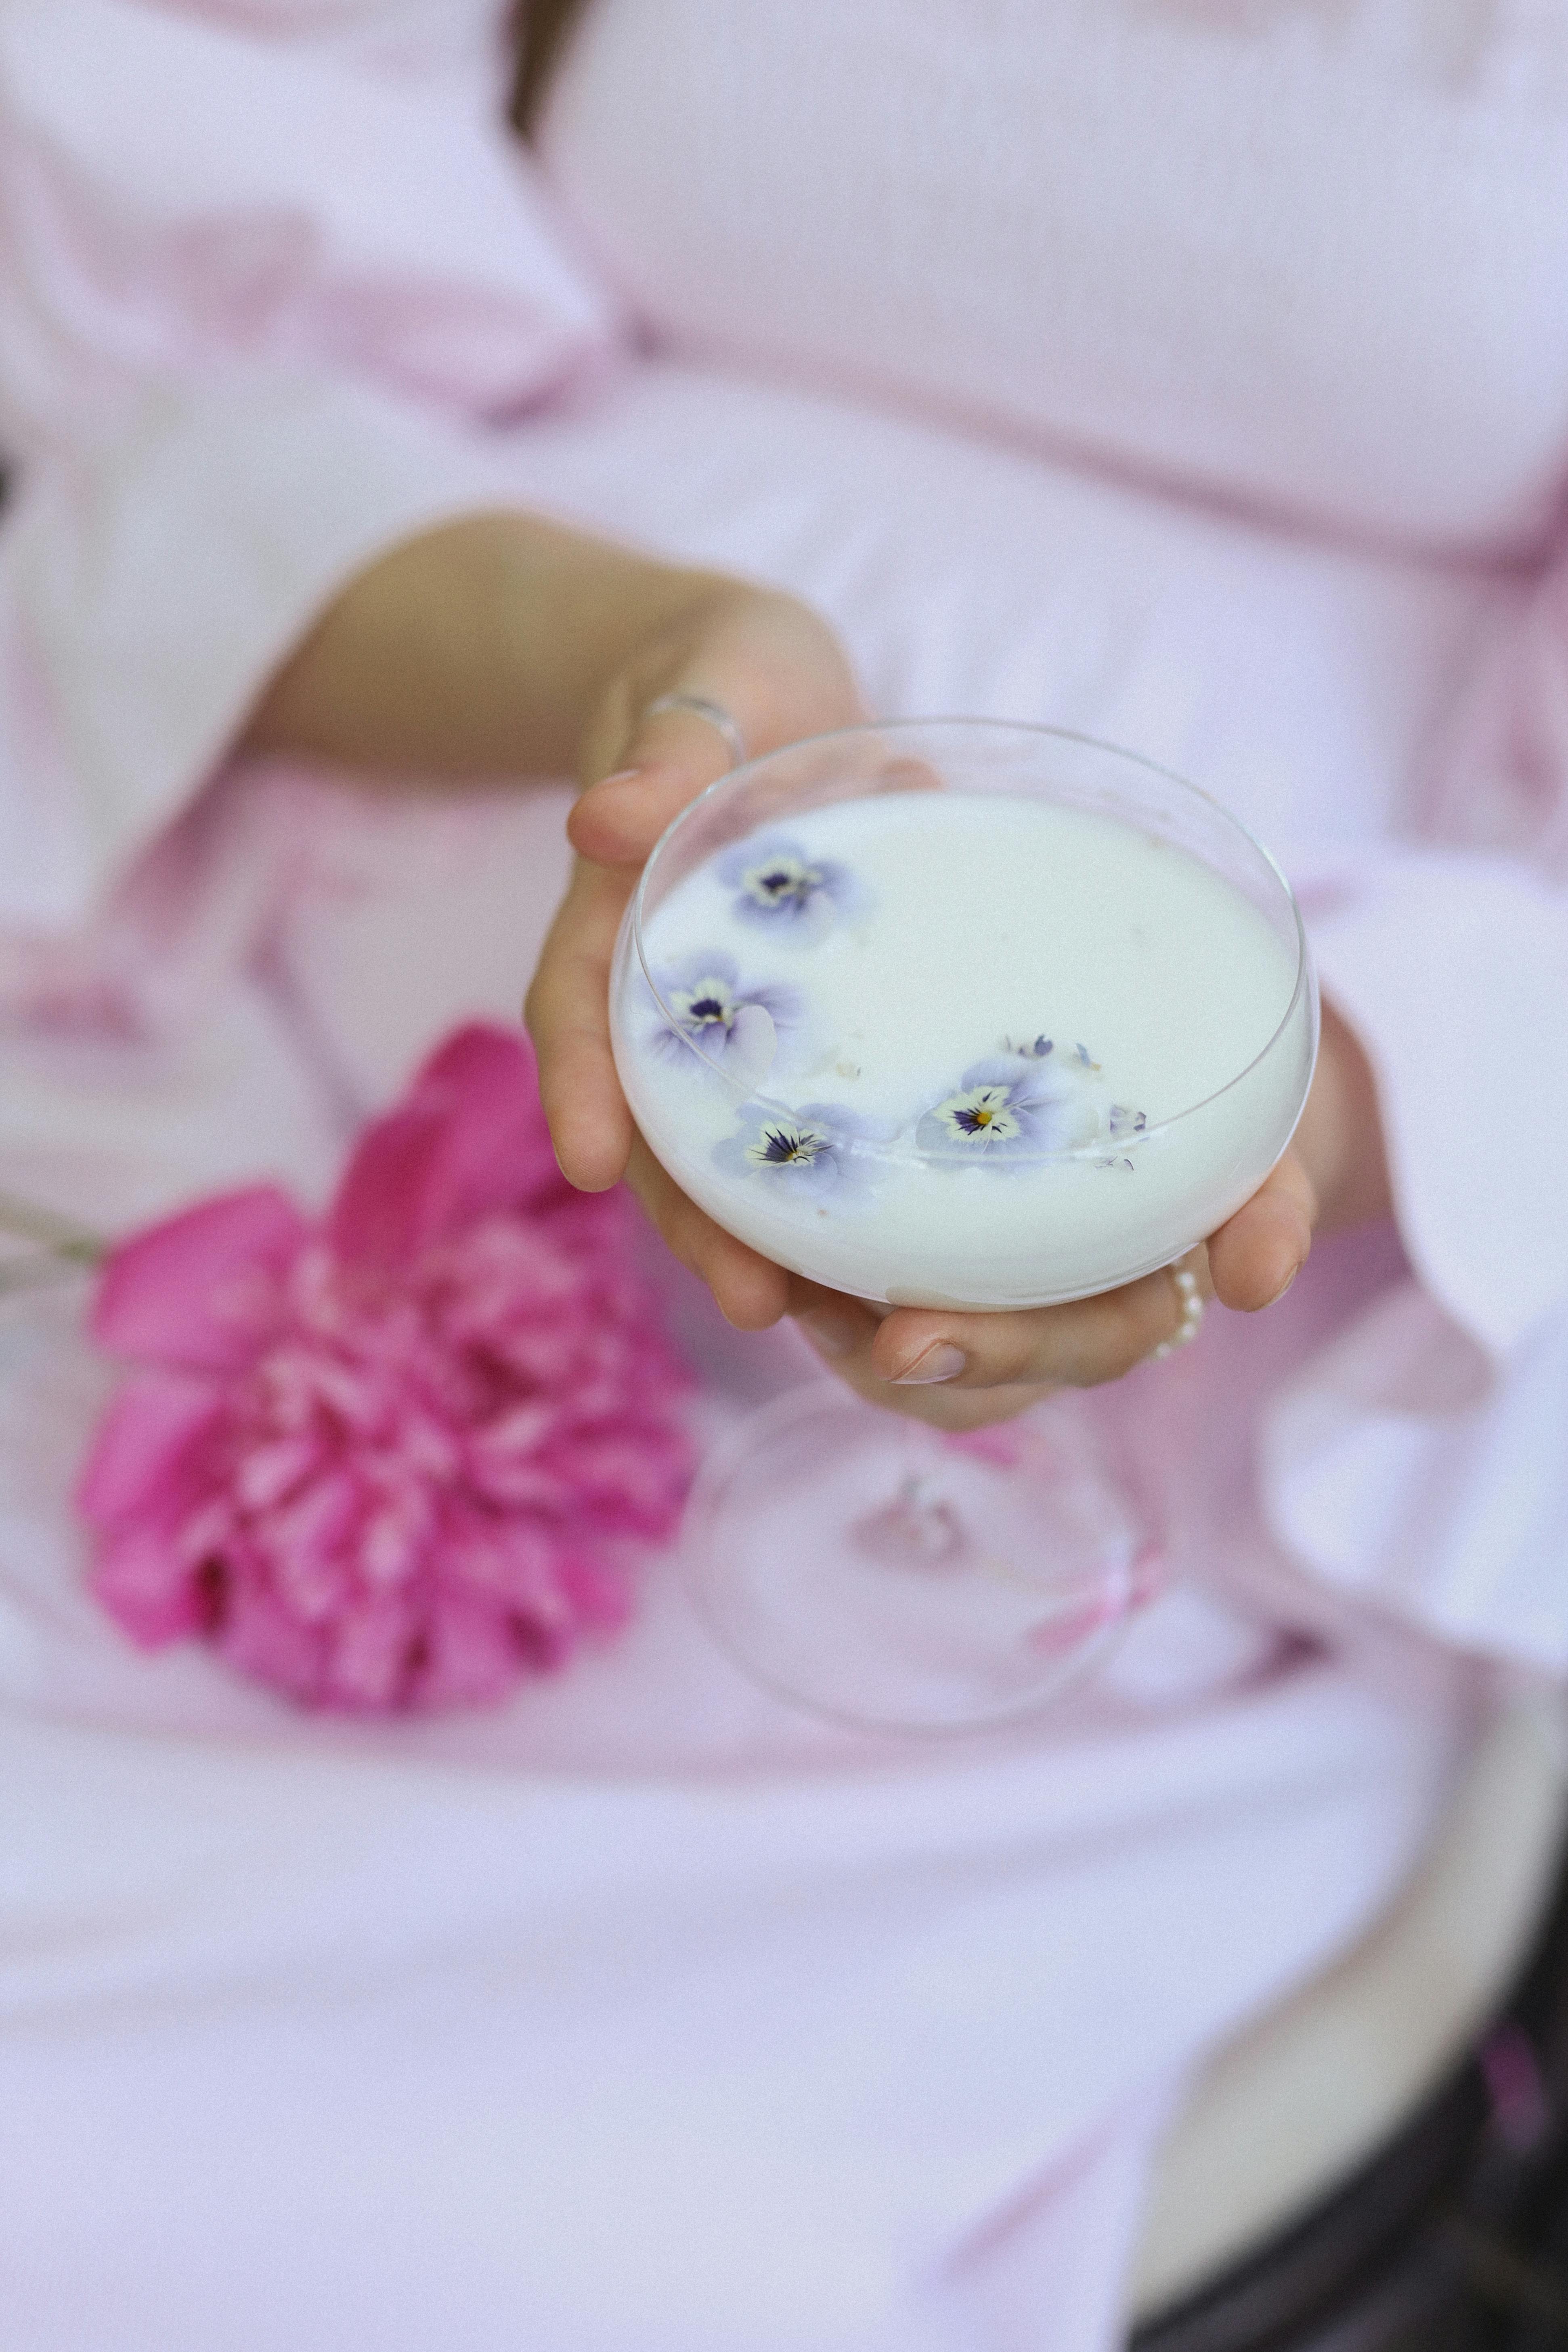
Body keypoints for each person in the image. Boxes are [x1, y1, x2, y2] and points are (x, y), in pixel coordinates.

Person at [0, 3, 1565, 2347]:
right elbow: (193, 395)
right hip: (316, 1015)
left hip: (1233, 1395)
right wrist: (656, 662)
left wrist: (1293, 1117)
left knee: (477, 2226)